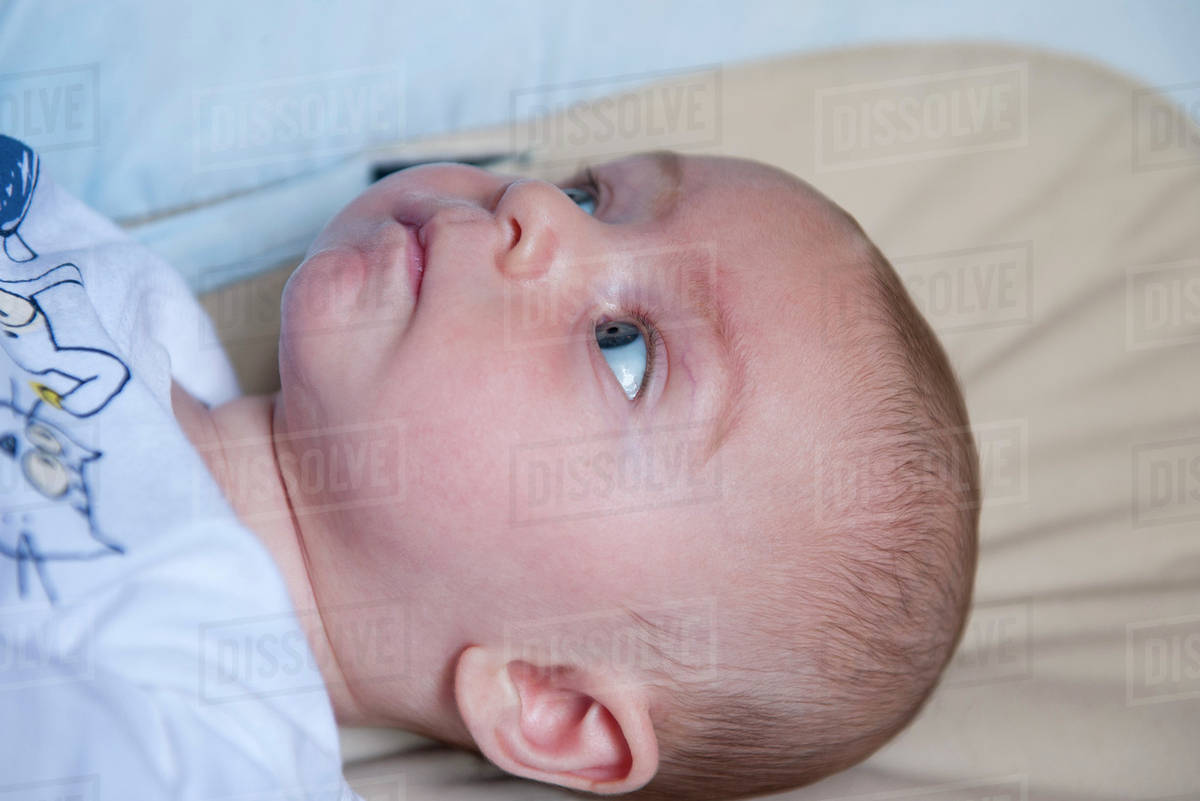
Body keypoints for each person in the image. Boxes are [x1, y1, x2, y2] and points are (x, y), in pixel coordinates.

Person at [1, 133, 978, 800]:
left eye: (624, 345)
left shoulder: (201, 746)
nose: (537, 205)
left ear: (549, 703)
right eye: (592, 193)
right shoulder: (109, 293)